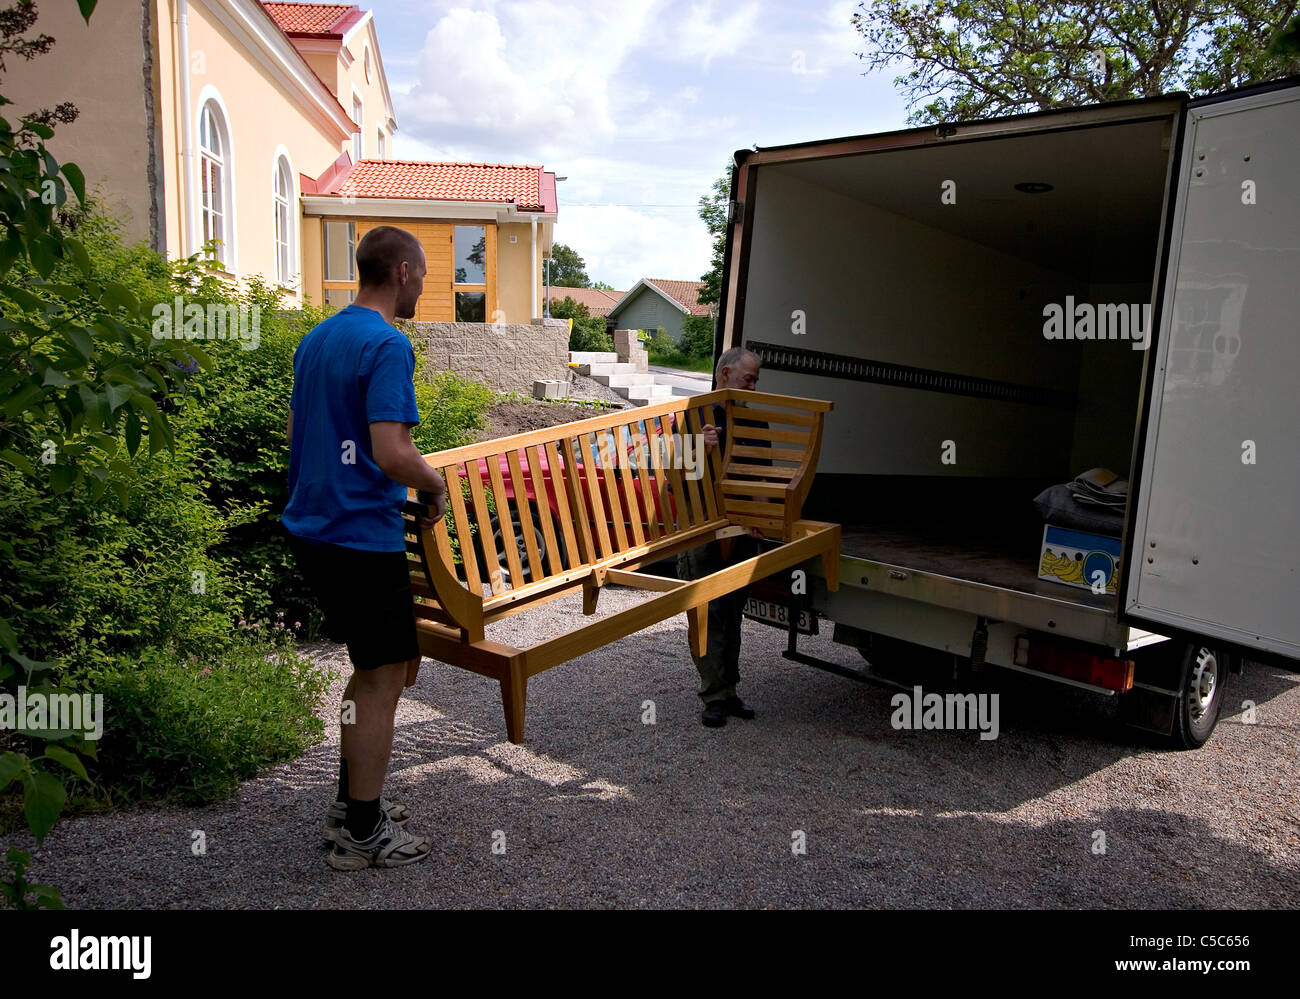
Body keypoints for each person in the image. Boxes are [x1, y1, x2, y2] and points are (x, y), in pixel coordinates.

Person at [282, 225, 448, 870]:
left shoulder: (319, 337)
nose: (423, 287)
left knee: (379, 667)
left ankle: (352, 804)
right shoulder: (386, 343)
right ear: (403, 271)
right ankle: (361, 834)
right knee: (383, 676)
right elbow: (391, 451)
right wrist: (433, 485)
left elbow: (299, 434)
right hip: (357, 535)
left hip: (315, 528)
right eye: (424, 276)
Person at [676, 347, 768, 728]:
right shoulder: (693, 415)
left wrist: (760, 517)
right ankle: (713, 695)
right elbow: (675, 476)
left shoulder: (755, 421)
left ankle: (728, 692)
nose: (753, 387)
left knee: (733, 613)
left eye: (756, 380)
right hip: (701, 528)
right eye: (749, 379)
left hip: (741, 528)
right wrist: (699, 450)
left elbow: (762, 477)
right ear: (725, 374)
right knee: (706, 613)